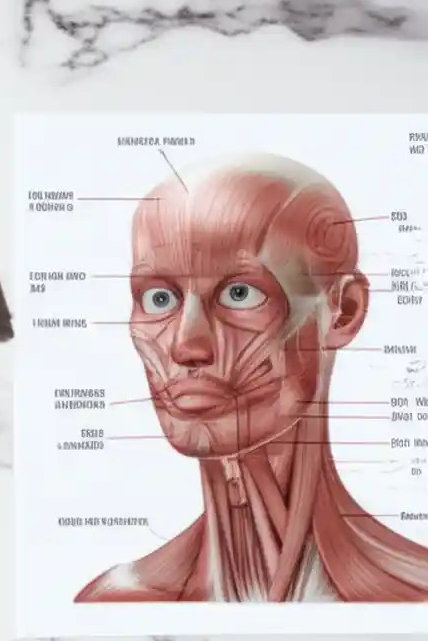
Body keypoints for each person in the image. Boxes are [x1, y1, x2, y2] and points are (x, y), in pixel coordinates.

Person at [77, 153, 428, 603]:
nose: (188, 347)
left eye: (239, 292)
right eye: (159, 298)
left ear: (344, 311)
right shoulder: (115, 607)